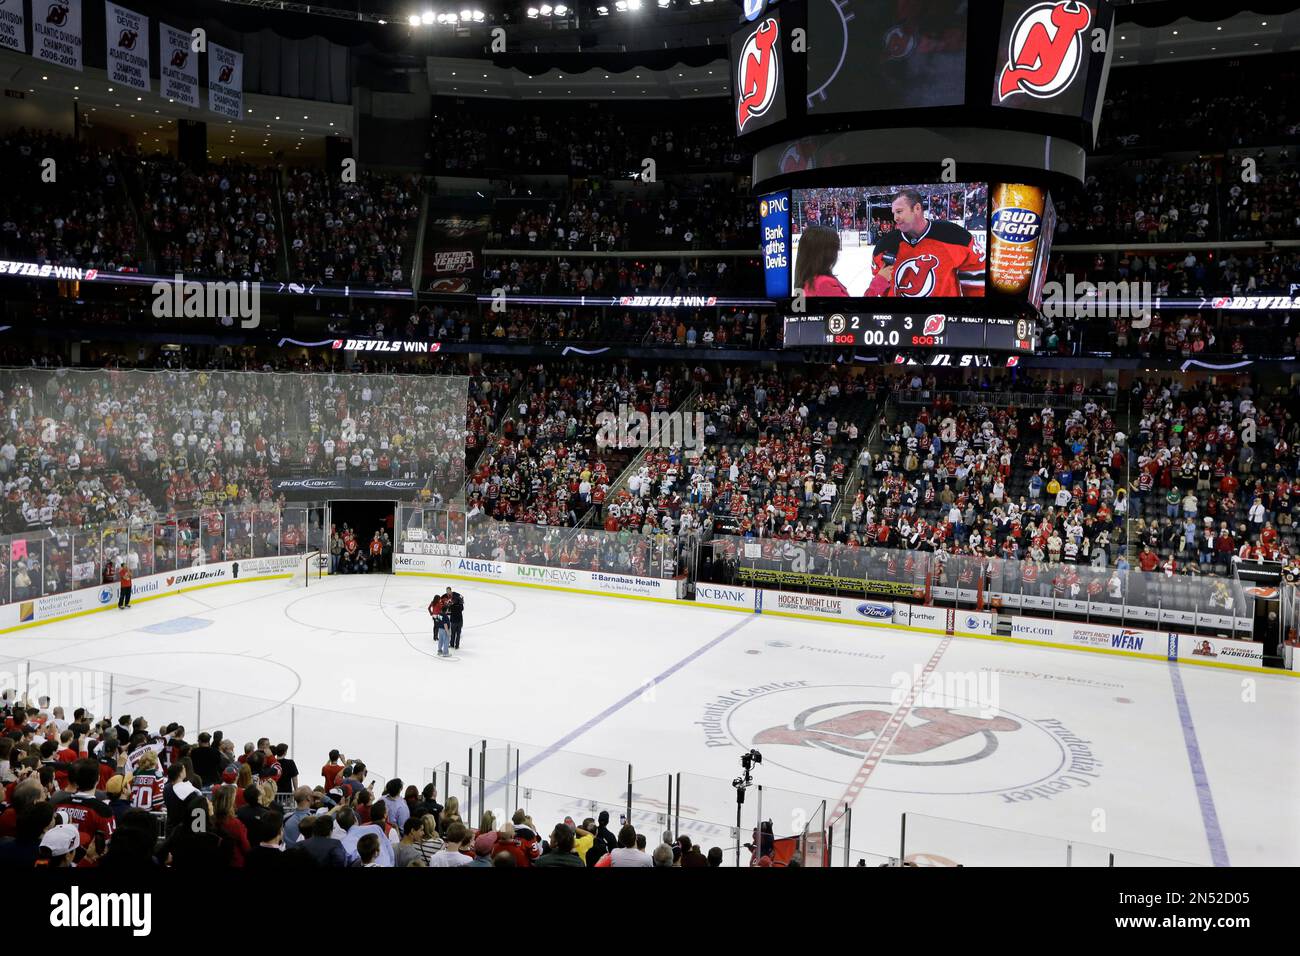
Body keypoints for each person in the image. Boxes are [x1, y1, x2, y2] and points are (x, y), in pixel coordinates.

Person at [871, 189, 986, 298]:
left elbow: (977, 278)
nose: (895, 218)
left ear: (917, 208)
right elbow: (880, 287)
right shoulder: (884, 246)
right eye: (894, 213)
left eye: (899, 211)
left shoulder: (954, 235)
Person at [793, 226, 850, 297]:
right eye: (836, 248)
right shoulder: (824, 284)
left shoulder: (806, 280)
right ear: (826, 253)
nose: (837, 253)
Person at [428, 592, 452, 656]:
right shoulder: (444, 614)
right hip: (443, 628)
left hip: (438, 622)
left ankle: (439, 650)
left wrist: (431, 613)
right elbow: (445, 624)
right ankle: (445, 653)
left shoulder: (433, 603)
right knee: (446, 641)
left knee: (440, 639)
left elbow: (429, 608)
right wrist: (448, 632)